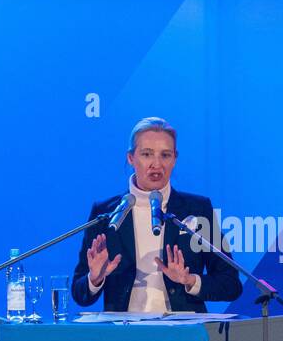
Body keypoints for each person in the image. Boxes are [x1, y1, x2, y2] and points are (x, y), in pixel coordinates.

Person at [71, 118, 244, 314]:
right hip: (123, 334)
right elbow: (79, 294)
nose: (156, 164)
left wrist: (190, 280)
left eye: (165, 155)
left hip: (181, 335)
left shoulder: (197, 209)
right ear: (131, 158)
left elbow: (231, 284)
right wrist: (95, 278)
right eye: (146, 154)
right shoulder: (106, 213)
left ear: (175, 159)